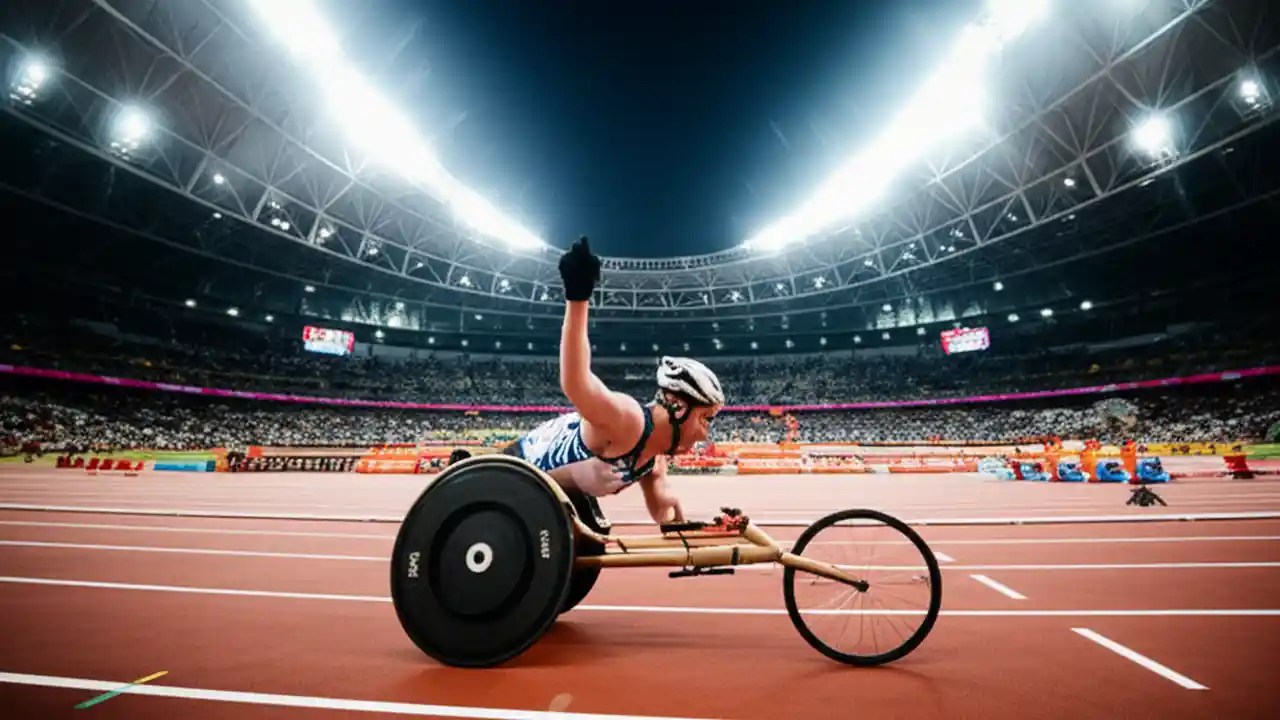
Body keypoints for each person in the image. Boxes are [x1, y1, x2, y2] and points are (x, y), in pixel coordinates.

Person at [501, 236, 725, 525]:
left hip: (548, 495)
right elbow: (576, 382)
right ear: (677, 406)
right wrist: (578, 297)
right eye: (705, 418)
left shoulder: (654, 460)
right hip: (511, 474)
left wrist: (699, 526)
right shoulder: (628, 420)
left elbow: (664, 513)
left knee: (593, 541)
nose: (705, 434)